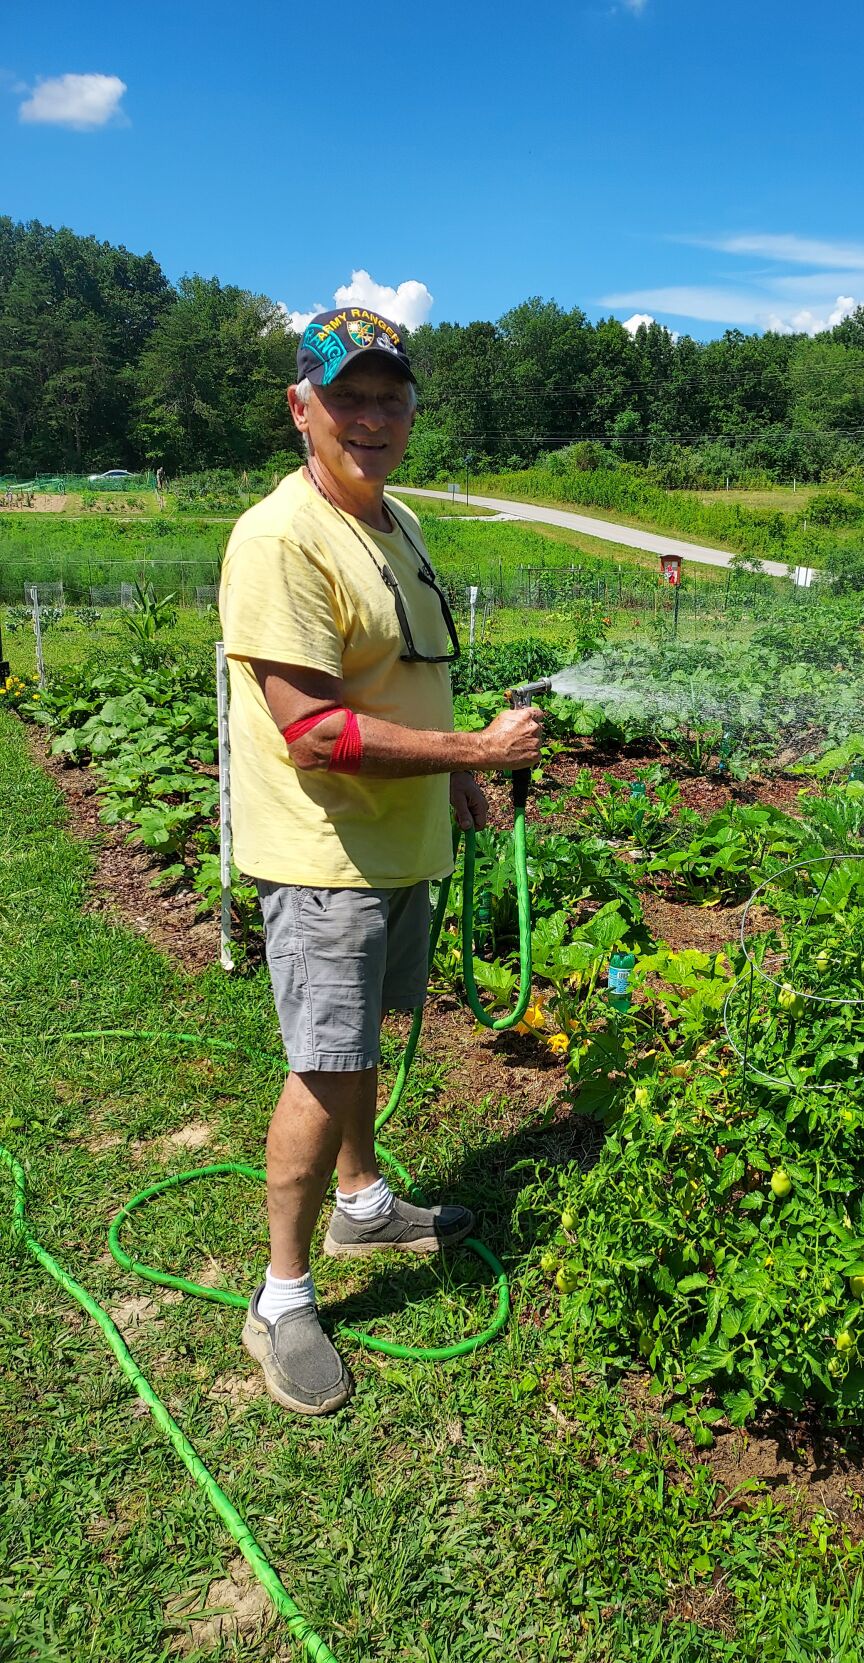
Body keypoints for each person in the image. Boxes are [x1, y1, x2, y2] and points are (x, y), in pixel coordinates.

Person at [219, 307, 542, 1414]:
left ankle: (360, 1203)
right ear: (300, 407)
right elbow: (311, 728)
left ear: (410, 412)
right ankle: (281, 1295)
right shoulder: (280, 537)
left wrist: (449, 774)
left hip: (391, 834)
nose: (369, 417)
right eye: (345, 397)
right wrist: (476, 747)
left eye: (388, 398)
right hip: (324, 855)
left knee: (354, 1050)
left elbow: (398, 668)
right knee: (323, 1065)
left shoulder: (391, 519)